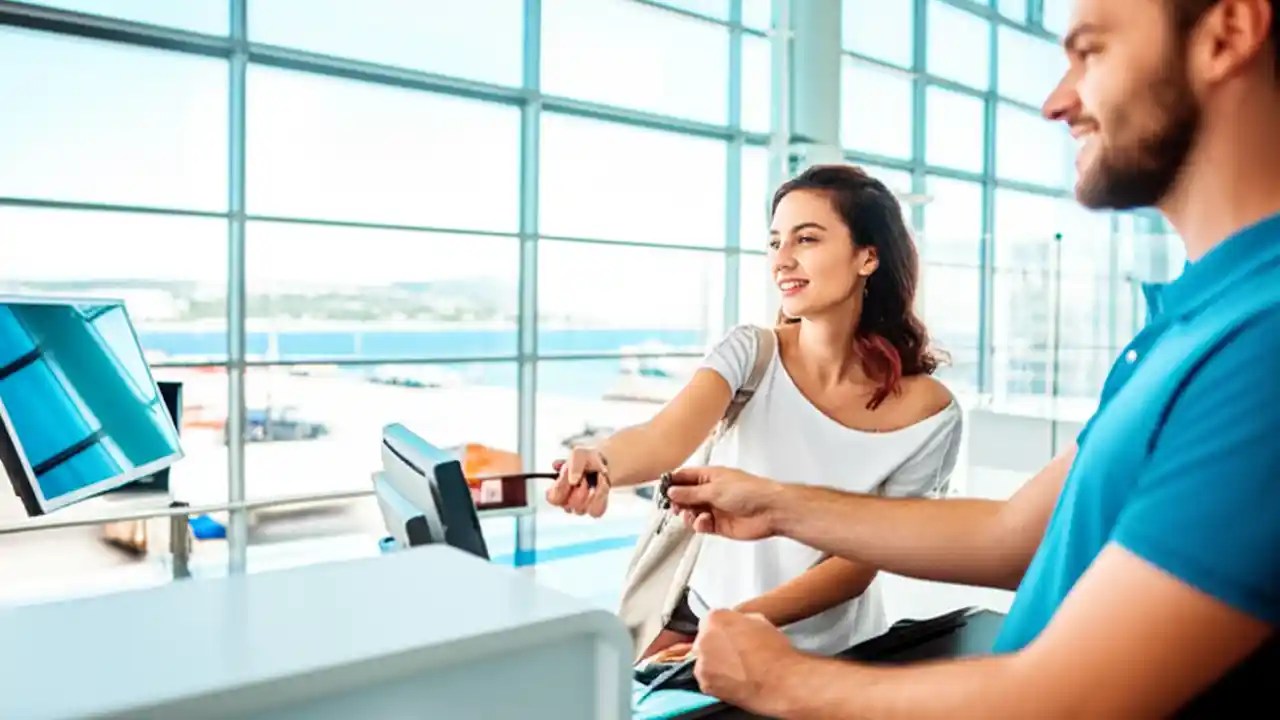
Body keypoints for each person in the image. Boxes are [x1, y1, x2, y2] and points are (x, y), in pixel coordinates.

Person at [663, 0, 1280, 716]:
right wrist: (773, 504)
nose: (1058, 102)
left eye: (1091, 52)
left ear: (1228, 34)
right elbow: (1012, 536)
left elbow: (1073, 702)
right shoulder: (1199, 321)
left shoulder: (1263, 343)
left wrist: (778, 680)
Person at [546, 164, 963, 659]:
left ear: (867, 256)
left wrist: (737, 625)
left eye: (806, 240)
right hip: (701, 617)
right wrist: (601, 461)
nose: (782, 261)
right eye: (774, 243)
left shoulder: (929, 415)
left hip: (829, 653)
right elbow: (664, 438)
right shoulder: (750, 352)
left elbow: (860, 562)